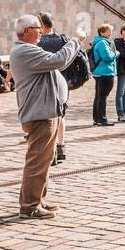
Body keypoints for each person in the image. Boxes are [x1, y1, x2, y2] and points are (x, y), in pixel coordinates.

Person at [9, 14, 81, 220]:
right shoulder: (24, 51)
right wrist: (75, 41)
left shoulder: (28, 49)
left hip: (46, 111)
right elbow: (59, 60)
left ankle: (38, 199)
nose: (41, 30)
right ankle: (30, 206)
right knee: (37, 160)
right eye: (37, 27)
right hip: (40, 114)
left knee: (45, 159)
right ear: (27, 31)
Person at [38, 13, 72, 163]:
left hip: (45, 83)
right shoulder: (62, 39)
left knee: (47, 118)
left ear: (42, 25)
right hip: (63, 83)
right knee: (60, 115)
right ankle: (61, 146)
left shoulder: (38, 43)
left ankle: (51, 153)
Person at [91, 24, 118, 126]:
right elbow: (107, 57)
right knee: (102, 96)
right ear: (102, 32)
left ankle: (97, 119)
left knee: (98, 96)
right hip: (105, 72)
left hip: (100, 72)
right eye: (108, 31)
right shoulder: (102, 42)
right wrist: (116, 54)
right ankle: (102, 119)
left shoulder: (99, 41)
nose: (110, 33)